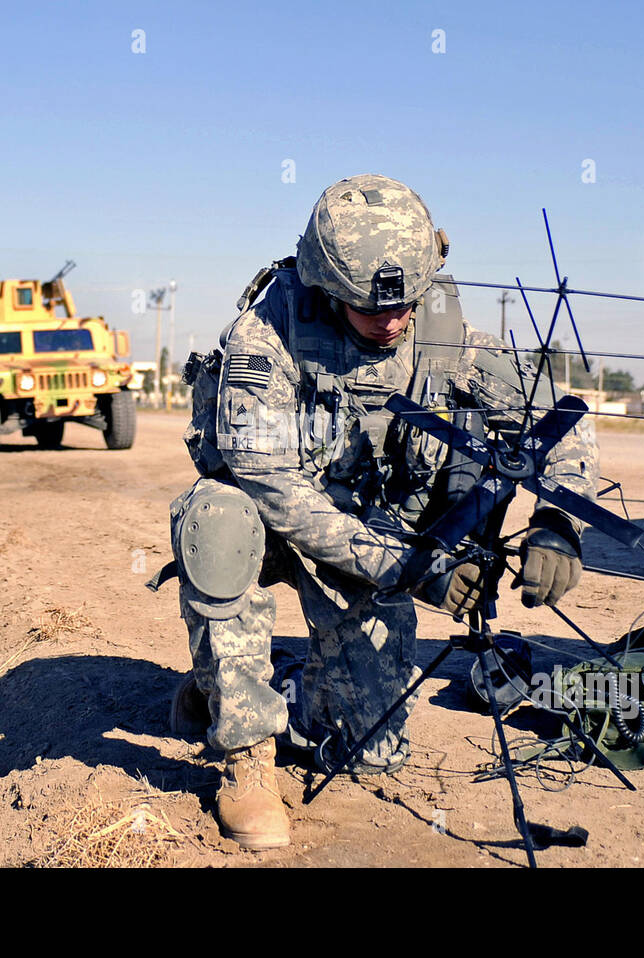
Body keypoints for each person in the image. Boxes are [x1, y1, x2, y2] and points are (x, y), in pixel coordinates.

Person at [164, 174, 598, 849]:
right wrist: (415, 568)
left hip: (372, 553)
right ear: (328, 287)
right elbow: (270, 485)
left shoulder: (451, 340)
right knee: (217, 518)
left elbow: (560, 424)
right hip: (280, 532)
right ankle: (246, 755)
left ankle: (250, 681)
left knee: (366, 753)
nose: (393, 324)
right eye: (370, 310)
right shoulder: (267, 336)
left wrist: (559, 524)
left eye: (406, 306)